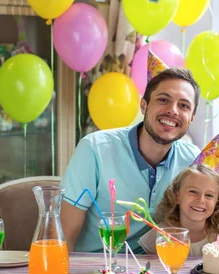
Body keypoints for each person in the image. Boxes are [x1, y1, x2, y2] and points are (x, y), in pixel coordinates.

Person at [60, 57, 200, 253]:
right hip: (95, 271)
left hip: (157, 270)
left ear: (191, 118)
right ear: (144, 105)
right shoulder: (94, 150)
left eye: (184, 105)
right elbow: (65, 236)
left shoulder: (193, 161)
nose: (172, 111)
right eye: (163, 100)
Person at [139, 137, 219, 257]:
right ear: (177, 195)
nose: (200, 200)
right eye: (193, 192)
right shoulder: (161, 234)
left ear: (217, 202)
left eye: (209, 195)